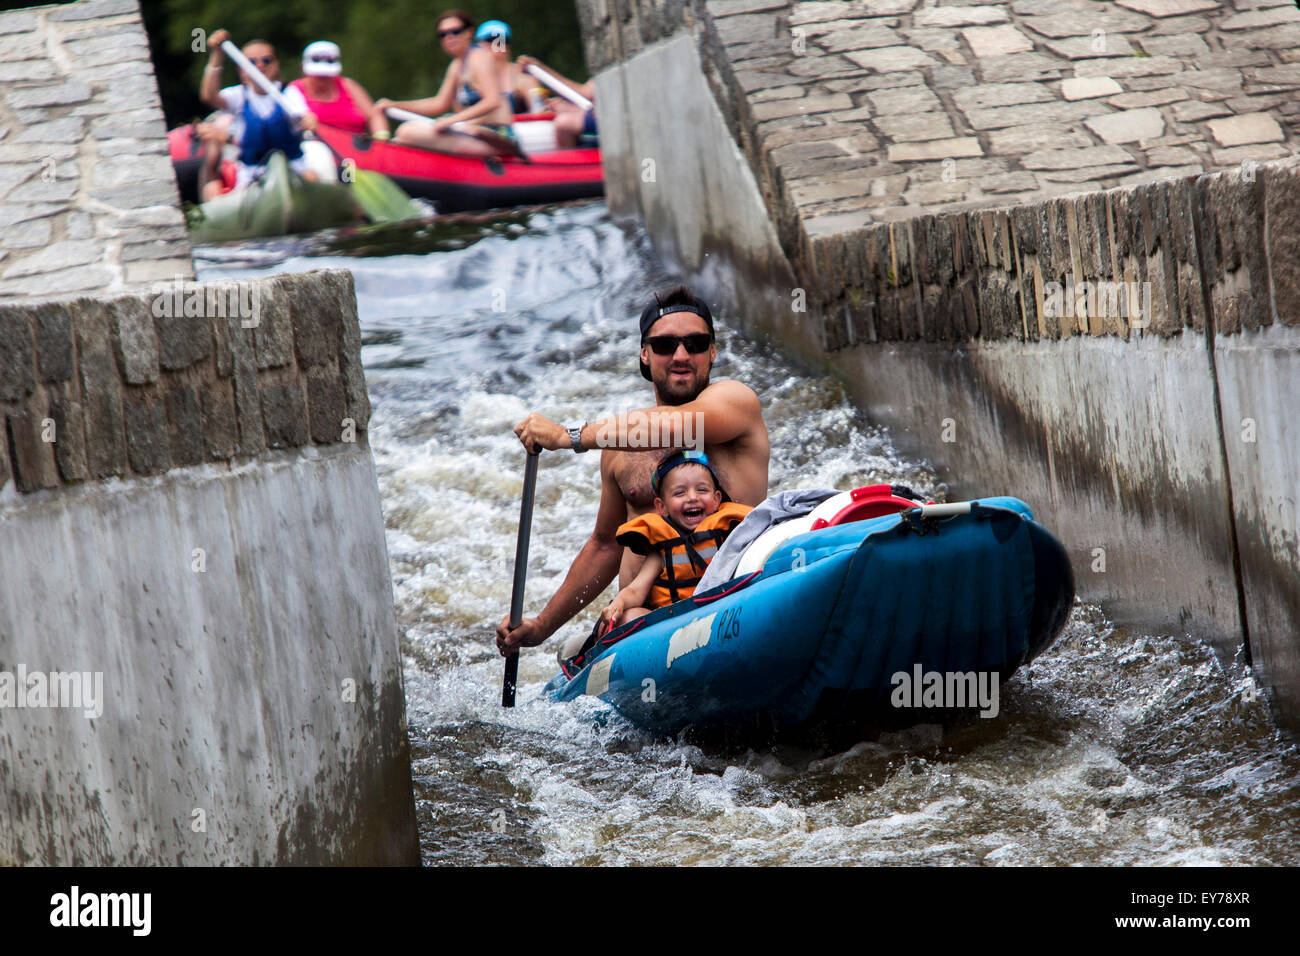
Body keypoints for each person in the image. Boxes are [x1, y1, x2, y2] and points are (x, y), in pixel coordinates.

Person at [495, 285, 771, 658]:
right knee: (582, 644)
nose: (681, 354)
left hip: (733, 608)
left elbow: (682, 426)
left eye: (695, 343)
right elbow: (606, 545)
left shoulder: (737, 404)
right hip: (643, 624)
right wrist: (542, 626)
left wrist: (568, 437)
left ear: (713, 352)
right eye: (664, 345)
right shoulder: (618, 449)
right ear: (644, 354)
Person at [601, 451, 753, 628]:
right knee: (629, 616)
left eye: (702, 490)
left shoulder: (731, 532)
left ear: (717, 498)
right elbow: (636, 590)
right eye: (680, 493)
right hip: (674, 625)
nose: (692, 497)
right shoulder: (662, 550)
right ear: (662, 507)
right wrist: (618, 603)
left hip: (726, 610)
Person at [373, 9, 515, 156]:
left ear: (469, 33)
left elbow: (492, 101)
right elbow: (439, 103)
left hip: (498, 138)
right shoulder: (456, 65)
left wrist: (451, 121)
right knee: (401, 140)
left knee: (407, 132)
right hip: (475, 133)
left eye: (455, 31)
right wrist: (395, 105)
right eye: (443, 34)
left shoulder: (478, 57)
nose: (449, 37)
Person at [198, 30, 319, 200]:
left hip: (293, 166)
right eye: (252, 62)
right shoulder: (238, 96)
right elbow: (209, 96)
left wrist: (309, 121)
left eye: (266, 60)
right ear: (242, 69)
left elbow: (304, 116)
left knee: (312, 178)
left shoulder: (288, 93)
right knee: (235, 193)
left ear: (275, 64)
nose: (260, 66)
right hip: (251, 171)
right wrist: (217, 55)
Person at [288, 41, 388, 137]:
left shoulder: (348, 86)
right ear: (303, 69)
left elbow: (374, 115)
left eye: (327, 74)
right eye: (317, 74)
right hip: (316, 148)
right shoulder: (293, 92)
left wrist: (380, 137)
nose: (323, 77)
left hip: (355, 149)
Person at [515, 54, 596, 147]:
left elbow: (585, 97)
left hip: (609, 120)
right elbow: (583, 93)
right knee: (562, 112)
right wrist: (540, 68)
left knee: (563, 123)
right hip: (601, 116)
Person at [474, 20, 531, 114]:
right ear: (478, 45)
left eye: (502, 41)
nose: (497, 46)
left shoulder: (522, 76)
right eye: (490, 40)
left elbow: (539, 111)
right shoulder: (468, 77)